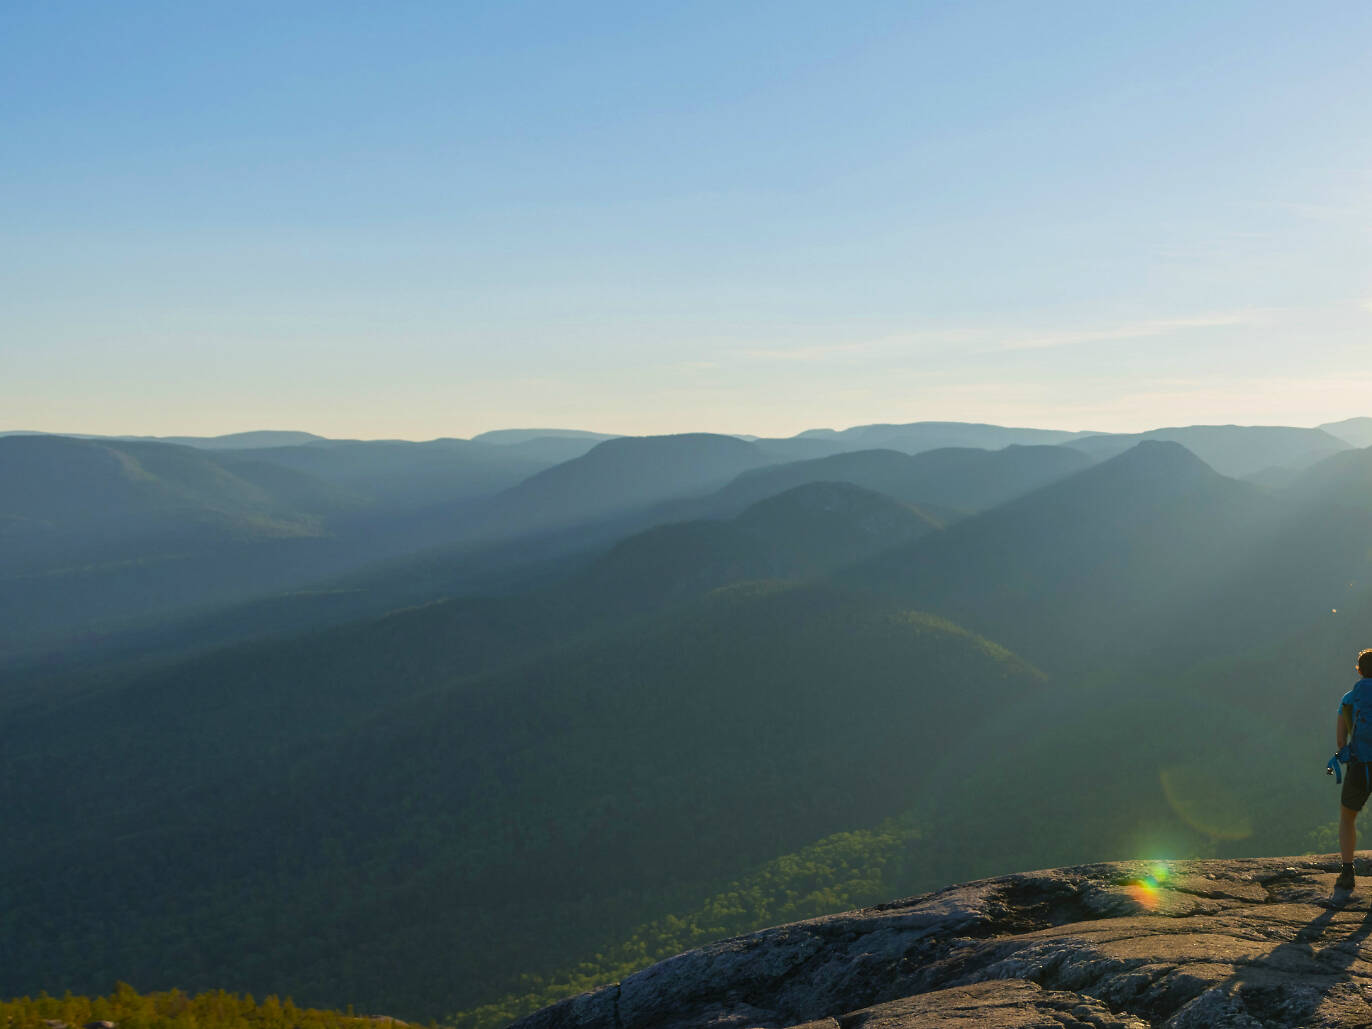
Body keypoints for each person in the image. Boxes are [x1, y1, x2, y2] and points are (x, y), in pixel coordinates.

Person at [1335, 648, 1372, 890]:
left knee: (1348, 818)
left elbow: (1341, 741)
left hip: (1359, 767)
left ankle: (1348, 872)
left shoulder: (1350, 698)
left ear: (1359, 670)